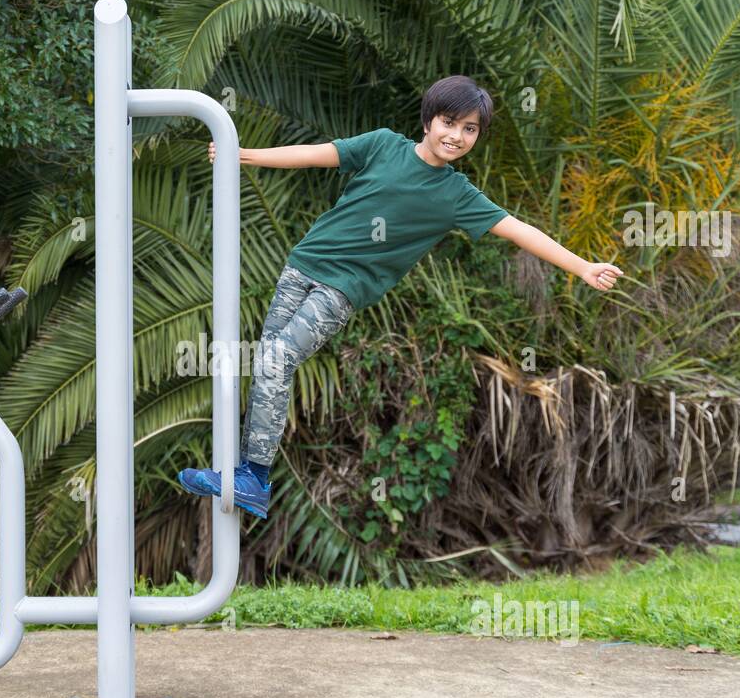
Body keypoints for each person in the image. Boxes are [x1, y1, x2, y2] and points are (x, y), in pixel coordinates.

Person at [179, 75, 624, 519]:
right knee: (267, 365)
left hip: (343, 288)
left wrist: (583, 266)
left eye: (470, 129)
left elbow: (519, 230)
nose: (457, 135)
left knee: (276, 360)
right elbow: (318, 155)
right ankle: (246, 474)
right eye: (450, 122)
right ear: (429, 120)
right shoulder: (383, 145)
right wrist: (245, 157)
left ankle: (254, 477)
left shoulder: (456, 195)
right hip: (300, 266)